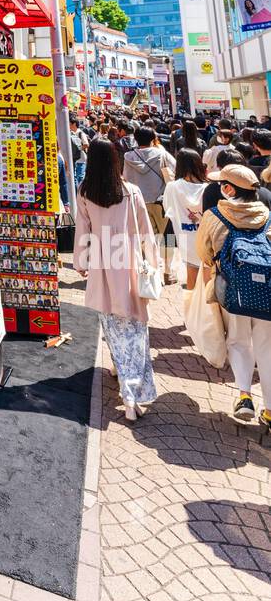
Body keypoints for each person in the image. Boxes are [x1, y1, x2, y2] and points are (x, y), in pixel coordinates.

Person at [74, 138, 160, 421]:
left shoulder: (85, 192)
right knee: (135, 334)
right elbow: (146, 233)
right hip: (131, 266)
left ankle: (124, 383)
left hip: (102, 266)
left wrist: (81, 262)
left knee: (112, 327)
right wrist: (154, 263)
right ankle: (132, 395)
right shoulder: (130, 191)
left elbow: (82, 232)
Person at [195, 164, 271, 426]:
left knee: (238, 341)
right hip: (267, 291)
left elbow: (203, 254)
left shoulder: (215, 215)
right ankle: (270, 409)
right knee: (266, 346)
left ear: (228, 189)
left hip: (234, 290)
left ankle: (244, 396)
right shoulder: (268, 216)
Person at [162, 148, 206, 289]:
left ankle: (193, 309)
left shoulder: (172, 187)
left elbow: (167, 208)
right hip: (205, 241)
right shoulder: (209, 188)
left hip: (185, 241)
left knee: (191, 278)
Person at [123, 125, 174, 237]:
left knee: (146, 237)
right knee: (167, 234)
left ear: (136, 139)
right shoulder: (161, 154)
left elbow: (125, 179)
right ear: (152, 139)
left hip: (138, 202)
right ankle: (167, 254)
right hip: (160, 202)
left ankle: (149, 254)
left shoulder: (128, 157)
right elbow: (175, 169)